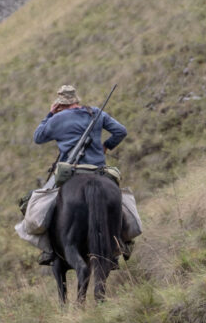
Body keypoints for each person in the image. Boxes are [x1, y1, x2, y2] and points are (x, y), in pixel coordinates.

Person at [21, 84, 131, 266]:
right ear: (76, 99)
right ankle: (124, 242)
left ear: (59, 103)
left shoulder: (56, 118)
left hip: (69, 174)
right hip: (99, 171)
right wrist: (106, 146)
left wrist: (50, 114)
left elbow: (38, 137)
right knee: (124, 204)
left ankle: (48, 250)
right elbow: (121, 131)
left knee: (35, 203)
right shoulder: (96, 112)